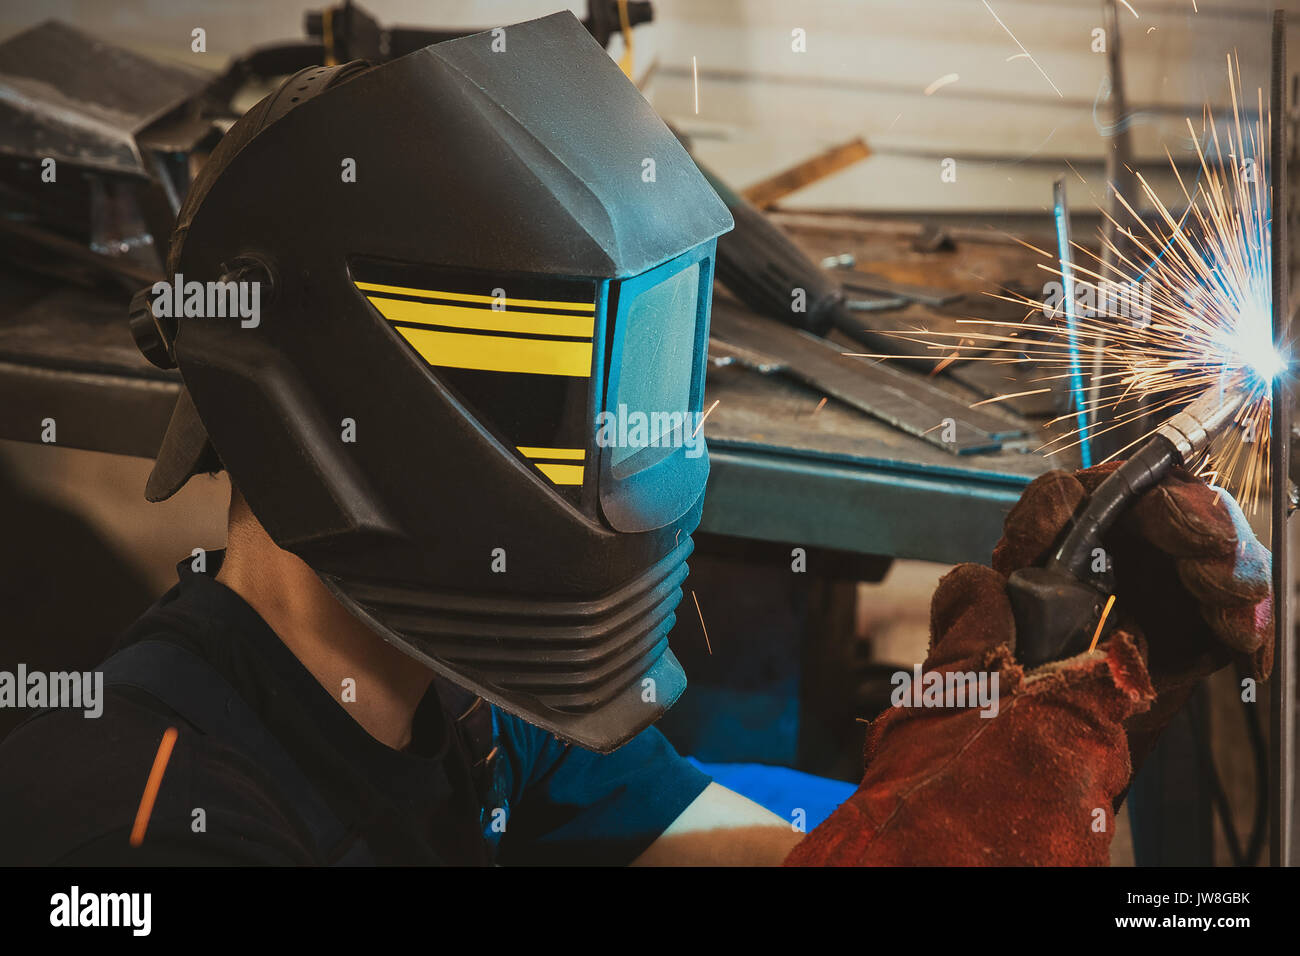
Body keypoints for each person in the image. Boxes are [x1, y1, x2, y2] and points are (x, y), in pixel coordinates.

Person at [0, 12, 1272, 867]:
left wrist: (982, 751)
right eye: (566, 393)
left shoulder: (477, 702)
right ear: (331, 411)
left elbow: (759, 846)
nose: (635, 455)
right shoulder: (137, 816)